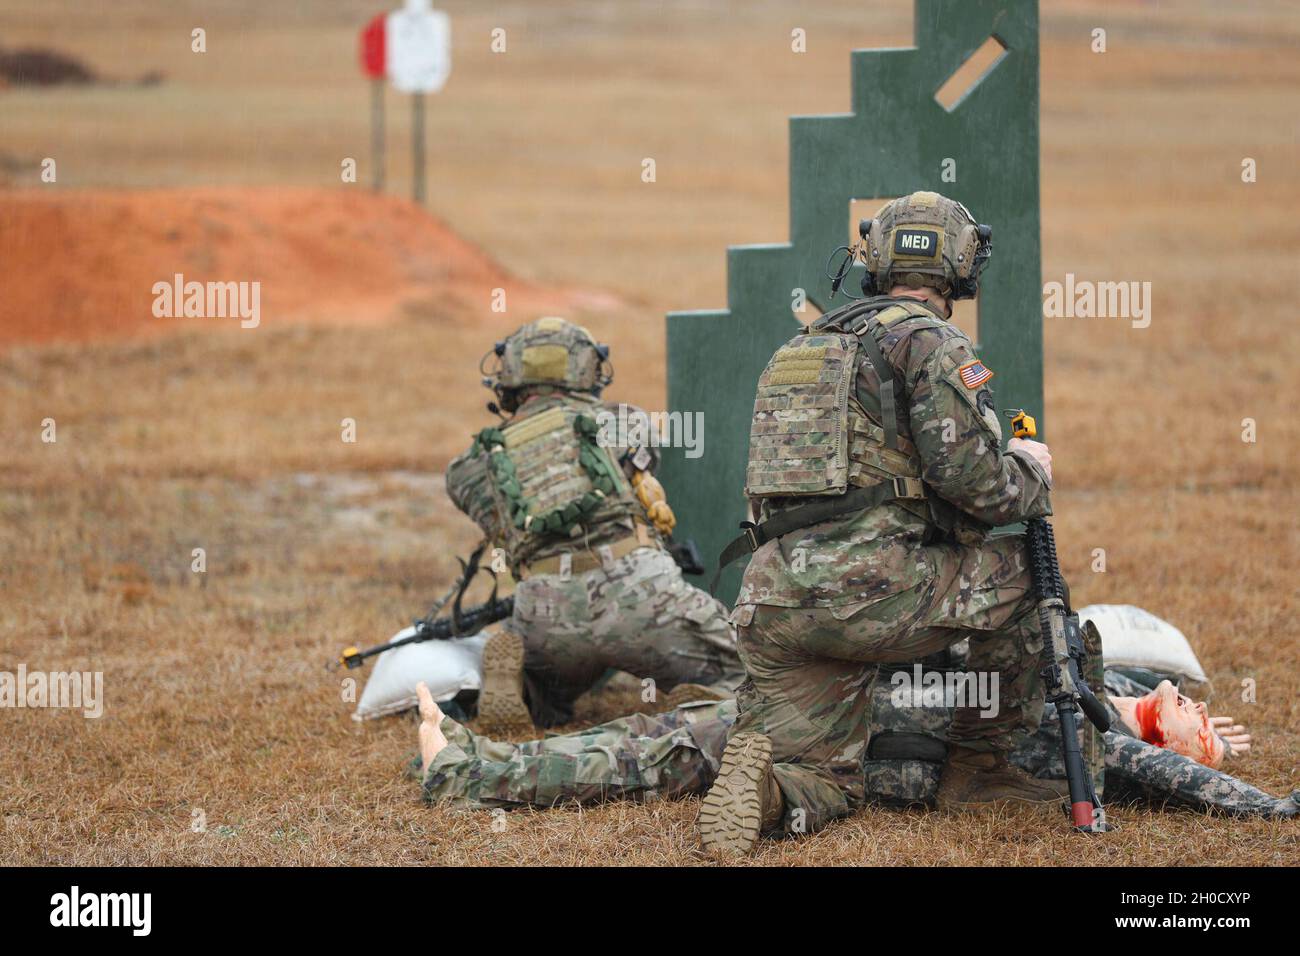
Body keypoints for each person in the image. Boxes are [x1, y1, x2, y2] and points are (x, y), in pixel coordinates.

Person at [697, 190, 1066, 856]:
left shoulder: (803, 346)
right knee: (1027, 576)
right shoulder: (931, 340)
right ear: (958, 262)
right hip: (873, 596)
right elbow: (980, 488)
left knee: (829, 782)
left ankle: (769, 791)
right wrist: (1030, 468)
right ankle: (981, 768)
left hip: (773, 603)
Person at [412, 665, 1297, 820]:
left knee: (661, 754)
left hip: (854, 736)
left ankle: (466, 772)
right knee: (662, 733)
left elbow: (1185, 783)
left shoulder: (1092, 747)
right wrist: (1158, 708)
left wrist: (1267, 802)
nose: (1189, 702)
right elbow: (1137, 686)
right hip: (847, 699)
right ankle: (478, 756)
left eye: (1196, 725)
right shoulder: (1110, 698)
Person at [444, 317, 741, 734]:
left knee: (549, 694)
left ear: (508, 374)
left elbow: (491, 515)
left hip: (545, 614)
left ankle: (527, 691)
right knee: (748, 665)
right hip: (639, 596)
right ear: (586, 368)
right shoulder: (627, 421)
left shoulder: (473, 463)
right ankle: (706, 692)